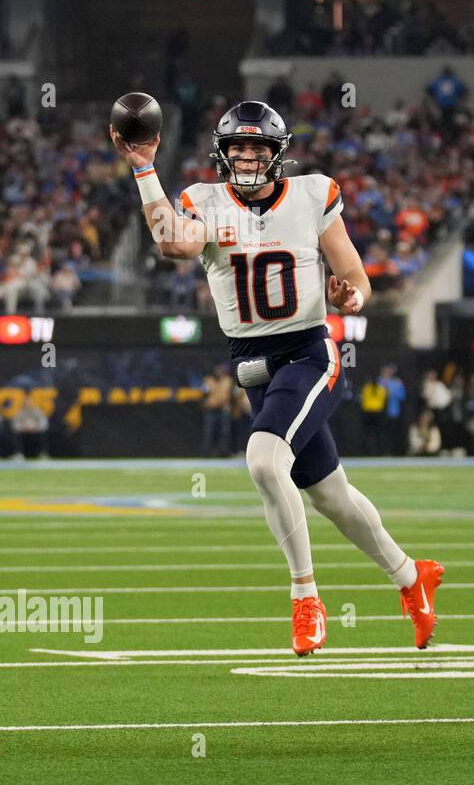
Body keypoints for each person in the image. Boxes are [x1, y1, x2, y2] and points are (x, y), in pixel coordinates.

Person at [110, 99, 443, 656]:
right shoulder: (202, 201)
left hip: (309, 353)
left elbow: (356, 276)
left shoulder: (314, 194)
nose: (245, 156)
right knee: (331, 496)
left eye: (256, 147)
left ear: (277, 154)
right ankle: (413, 578)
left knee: (264, 460)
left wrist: (351, 295)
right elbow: (173, 243)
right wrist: (145, 168)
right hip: (253, 367)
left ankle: (306, 596)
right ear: (222, 152)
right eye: (236, 147)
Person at [201, 363, 235, 457]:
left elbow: (233, 396)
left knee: (225, 433)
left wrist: (231, 407)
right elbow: (203, 395)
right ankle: (207, 453)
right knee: (209, 432)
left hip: (224, 410)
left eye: (222, 369)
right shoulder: (208, 380)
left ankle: (224, 453)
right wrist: (204, 405)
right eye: (218, 369)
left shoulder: (228, 380)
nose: (219, 371)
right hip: (211, 410)